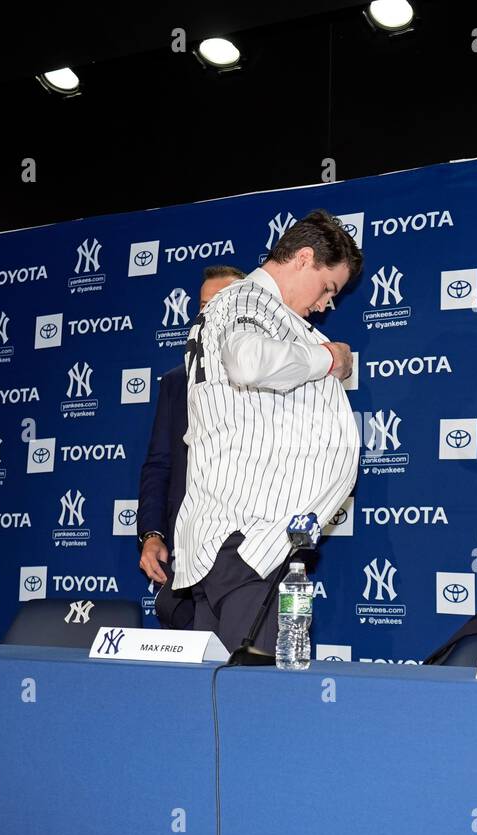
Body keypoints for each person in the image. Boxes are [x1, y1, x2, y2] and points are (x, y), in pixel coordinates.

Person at [173, 210, 361, 652]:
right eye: (328, 287)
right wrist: (327, 359)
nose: (325, 304)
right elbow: (248, 362)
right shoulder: (247, 301)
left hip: (230, 535)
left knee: (216, 689)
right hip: (245, 534)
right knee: (249, 695)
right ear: (303, 259)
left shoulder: (247, 308)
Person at [137, 265, 246, 628]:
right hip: (189, 551)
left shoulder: (269, 377)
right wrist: (152, 535)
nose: (208, 314)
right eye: (203, 305)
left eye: (220, 303)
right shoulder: (175, 382)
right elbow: (159, 465)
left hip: (246, 553)